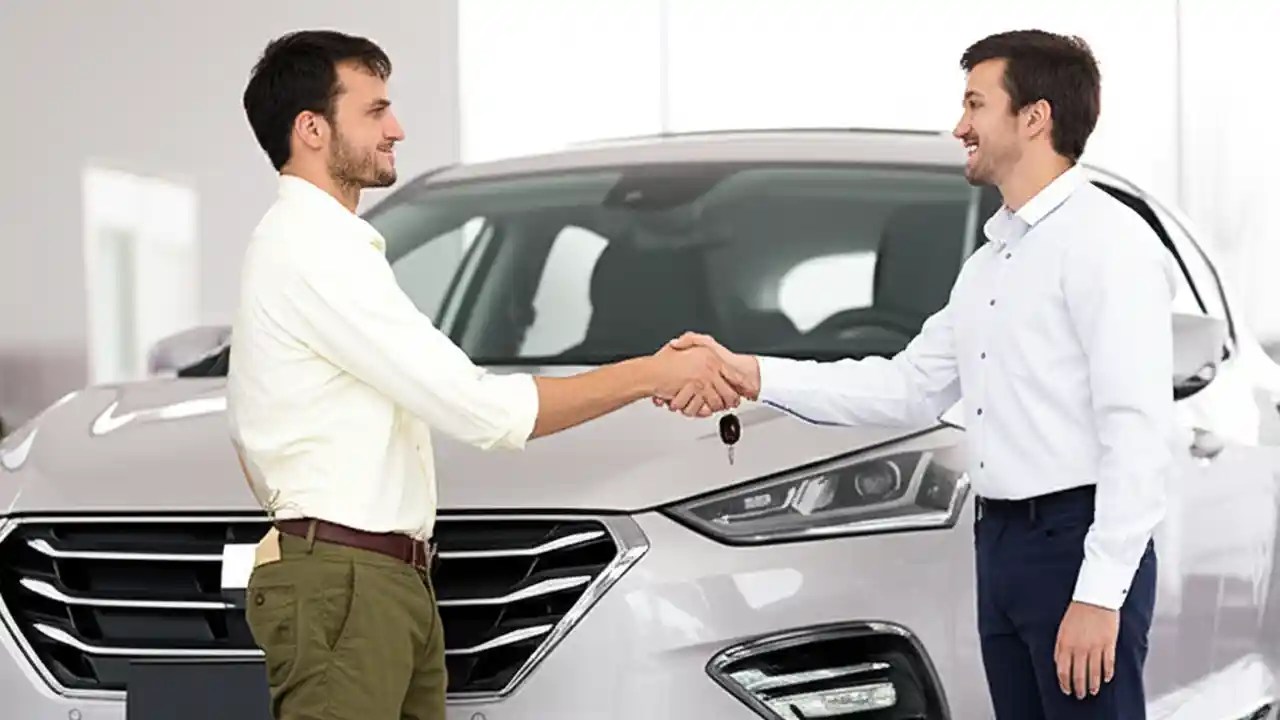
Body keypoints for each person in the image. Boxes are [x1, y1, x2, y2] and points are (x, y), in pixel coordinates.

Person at [661, 29, 1177, 720]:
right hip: (1002, 544)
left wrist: (1100, 592)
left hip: (1074, 545)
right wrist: (752, 373)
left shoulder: (1106, 242)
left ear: (1035, 117)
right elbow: (906, 388)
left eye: (975, 104)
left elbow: (1137, 431)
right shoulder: (989, 266)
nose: (960, 126)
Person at [227, 30, 743, 720]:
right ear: (312, 129)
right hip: (348, 585)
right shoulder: (313, 251)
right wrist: (652, 374)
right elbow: (485, 411)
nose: (396, 128)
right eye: (375, 111)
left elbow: (249, 431)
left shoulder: (315, 247)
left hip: (376, 580)